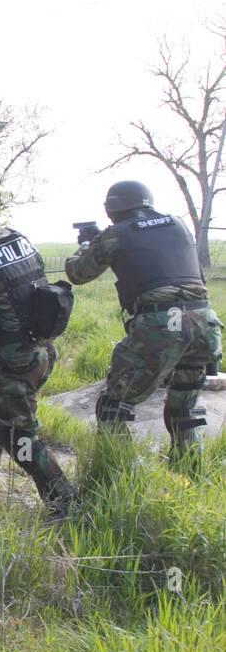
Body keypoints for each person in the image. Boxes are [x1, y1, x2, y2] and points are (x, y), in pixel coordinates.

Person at [67, 180, 223, 460]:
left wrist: (89, 242)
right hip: (205, 322)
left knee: (114, 406)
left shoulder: (117, 233)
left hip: (162, 325)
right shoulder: (178, 223)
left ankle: (118, 470)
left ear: (113, 208)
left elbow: (78, 273)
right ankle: (190, 471)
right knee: (184, 409)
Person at [0, 188, 78, 516]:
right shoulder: (19, 240)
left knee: (19, 436)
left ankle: (65, 502)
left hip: (14, 356)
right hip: (39, 349)